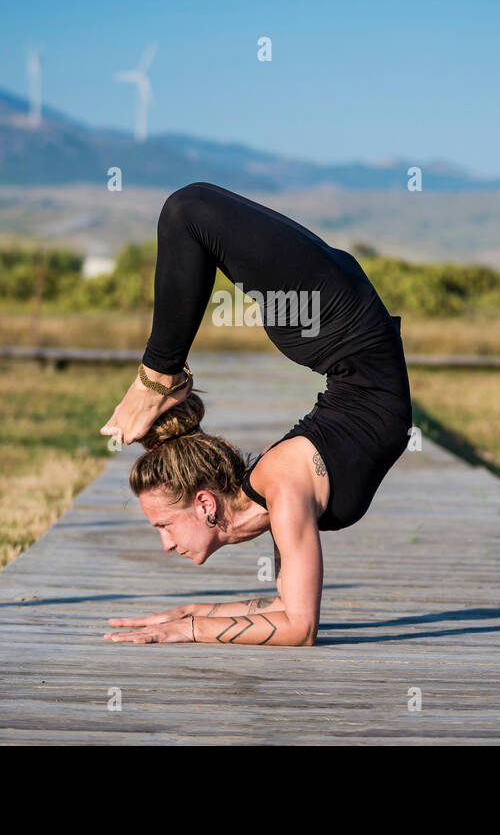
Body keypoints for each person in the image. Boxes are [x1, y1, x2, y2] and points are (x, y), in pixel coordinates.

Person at [100, 182, 411, 646]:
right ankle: (162, 374)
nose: (166, 544)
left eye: (163, 525)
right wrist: (193, 611)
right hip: (331, 324)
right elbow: (287, 610)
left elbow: (302, 628)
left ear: (205, 503)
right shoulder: (274, 497)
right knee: (191, 216)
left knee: (188, 210)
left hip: (337, 322)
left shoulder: (281, 489)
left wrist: (190, 630)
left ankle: (161, 375)